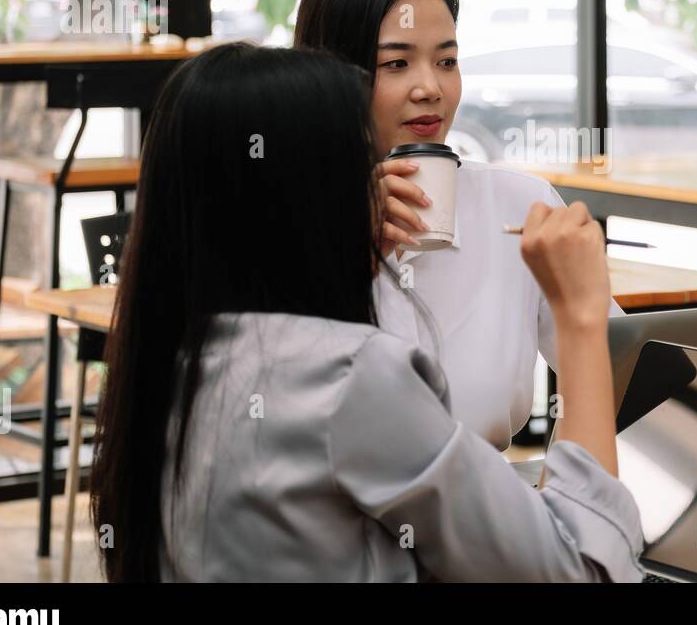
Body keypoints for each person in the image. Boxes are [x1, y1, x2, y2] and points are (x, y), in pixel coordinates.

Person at [90, 43, 644, 581]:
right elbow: (584, 570)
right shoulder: (350, 379)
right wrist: (580, 318)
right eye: (361, 167)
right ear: (309, 196)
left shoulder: (170, 361)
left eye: (447, 59)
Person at [294, 0, 622, 449]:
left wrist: (553, 498)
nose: (431, 88)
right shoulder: (285, 218)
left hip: (484, 517)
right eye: (396, 64)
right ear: (329, 73)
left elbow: (626, 380)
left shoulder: (518, 205)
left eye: (446, 62)